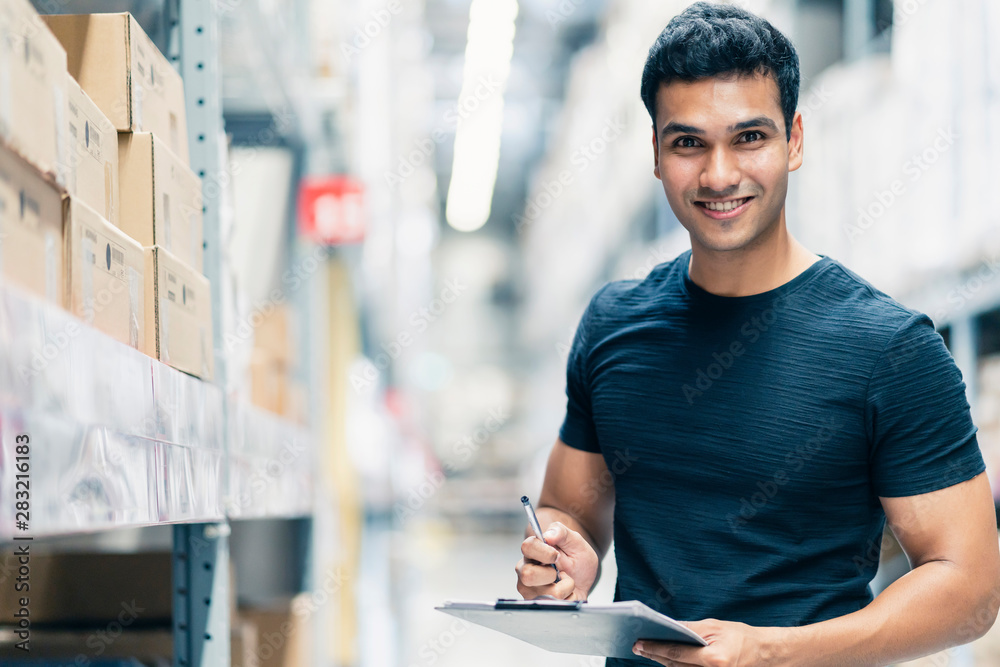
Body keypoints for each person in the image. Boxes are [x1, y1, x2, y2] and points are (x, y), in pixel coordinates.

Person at [513, 3, 1000, 666]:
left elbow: (969, 587)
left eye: (749, 138)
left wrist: (772, 650)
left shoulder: (889, 348)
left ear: (794, 140)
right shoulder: (614, 324)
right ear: (655, 152)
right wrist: (567, 550)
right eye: (689, 143)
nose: (719, 175)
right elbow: (570, 504)